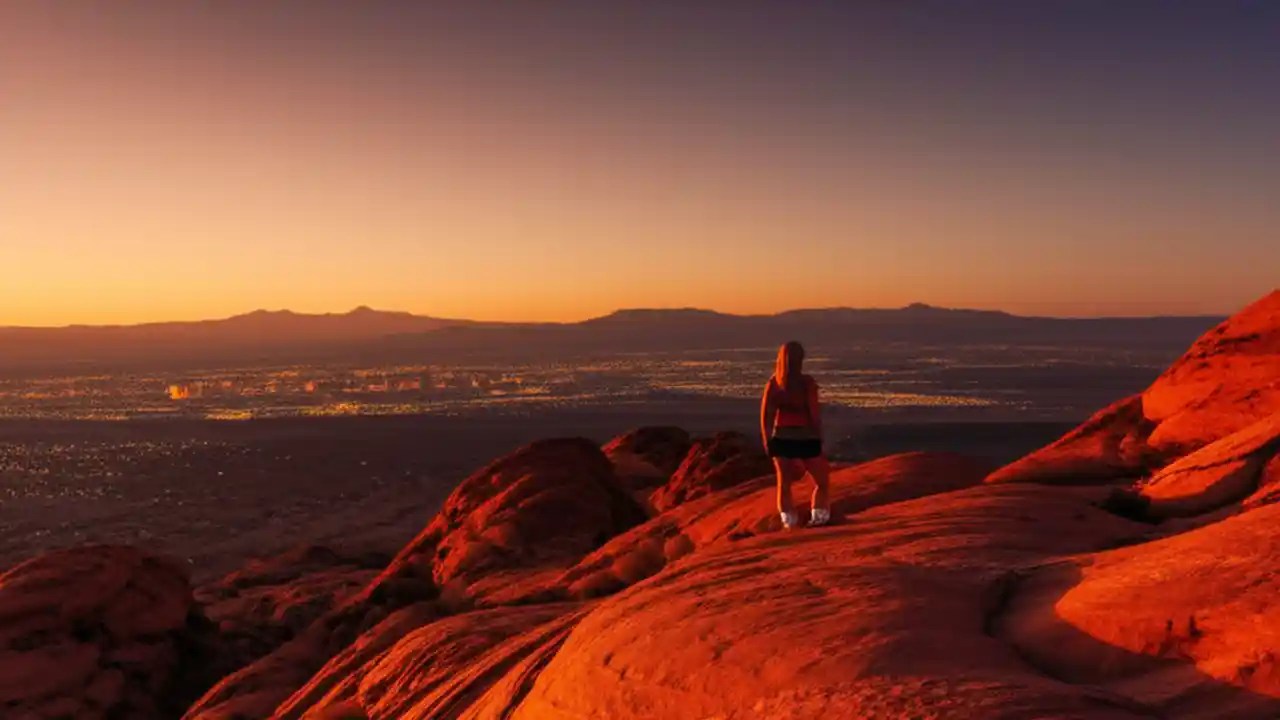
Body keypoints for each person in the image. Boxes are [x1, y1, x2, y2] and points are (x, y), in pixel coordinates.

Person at [760, 340, 831, 529]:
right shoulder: (807, 383)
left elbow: (766, 416)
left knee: (784, 484)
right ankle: (819, 517)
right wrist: (820, 438)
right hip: (806, 437)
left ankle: (789, 522)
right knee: (822, 481)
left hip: (782, 438)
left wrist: (767, 441)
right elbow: (814, 414)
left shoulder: (774, 383)